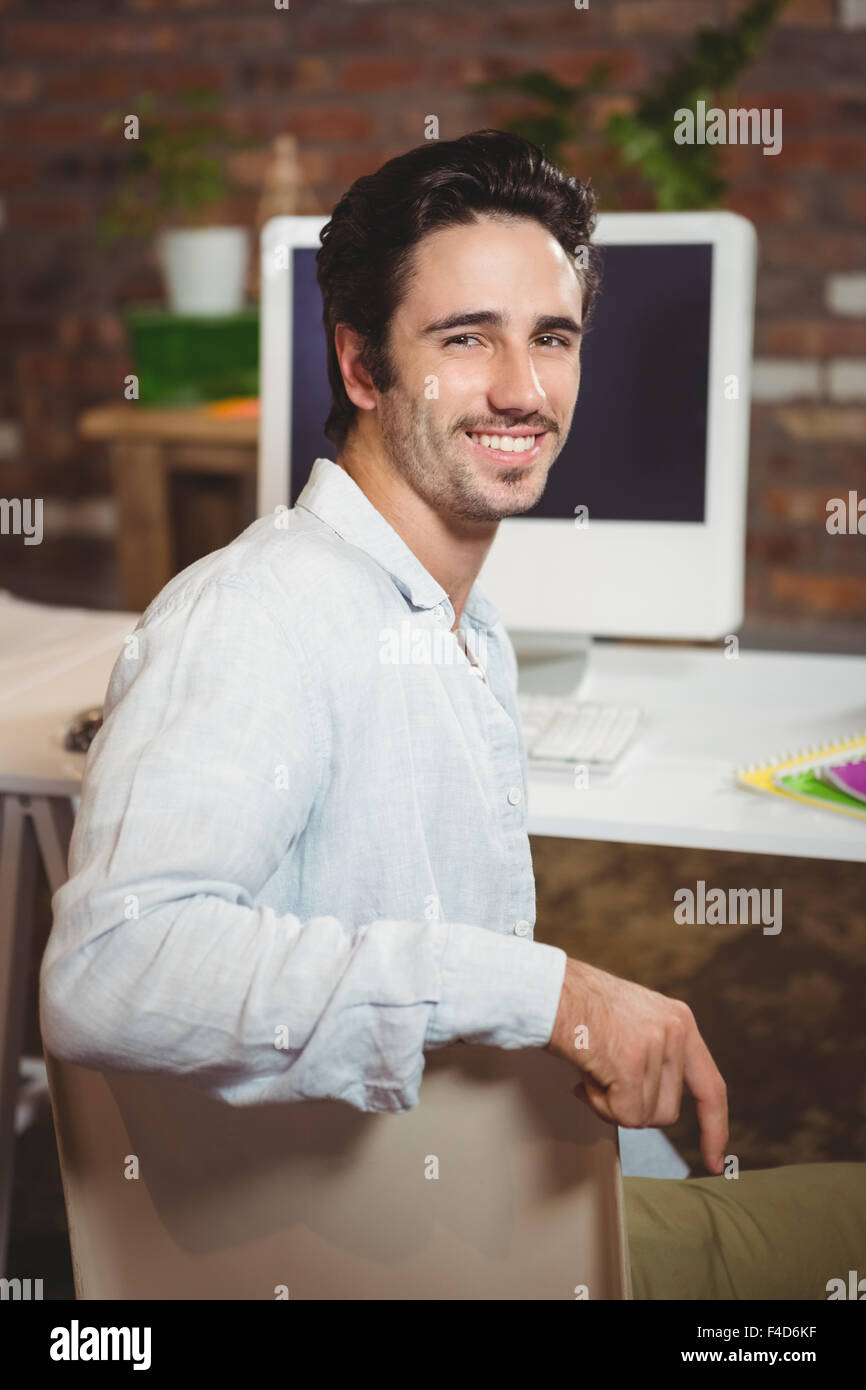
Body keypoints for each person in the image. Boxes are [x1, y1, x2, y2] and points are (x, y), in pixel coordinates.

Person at [40, 130, 866, 1299]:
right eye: (465, 337)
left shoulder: (452, 624)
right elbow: (111, 971)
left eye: (552, 338)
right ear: (363, 367)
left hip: (474, 1197)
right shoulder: (257, 618)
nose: (522, 390)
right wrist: (550, 992)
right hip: (392, 1252)